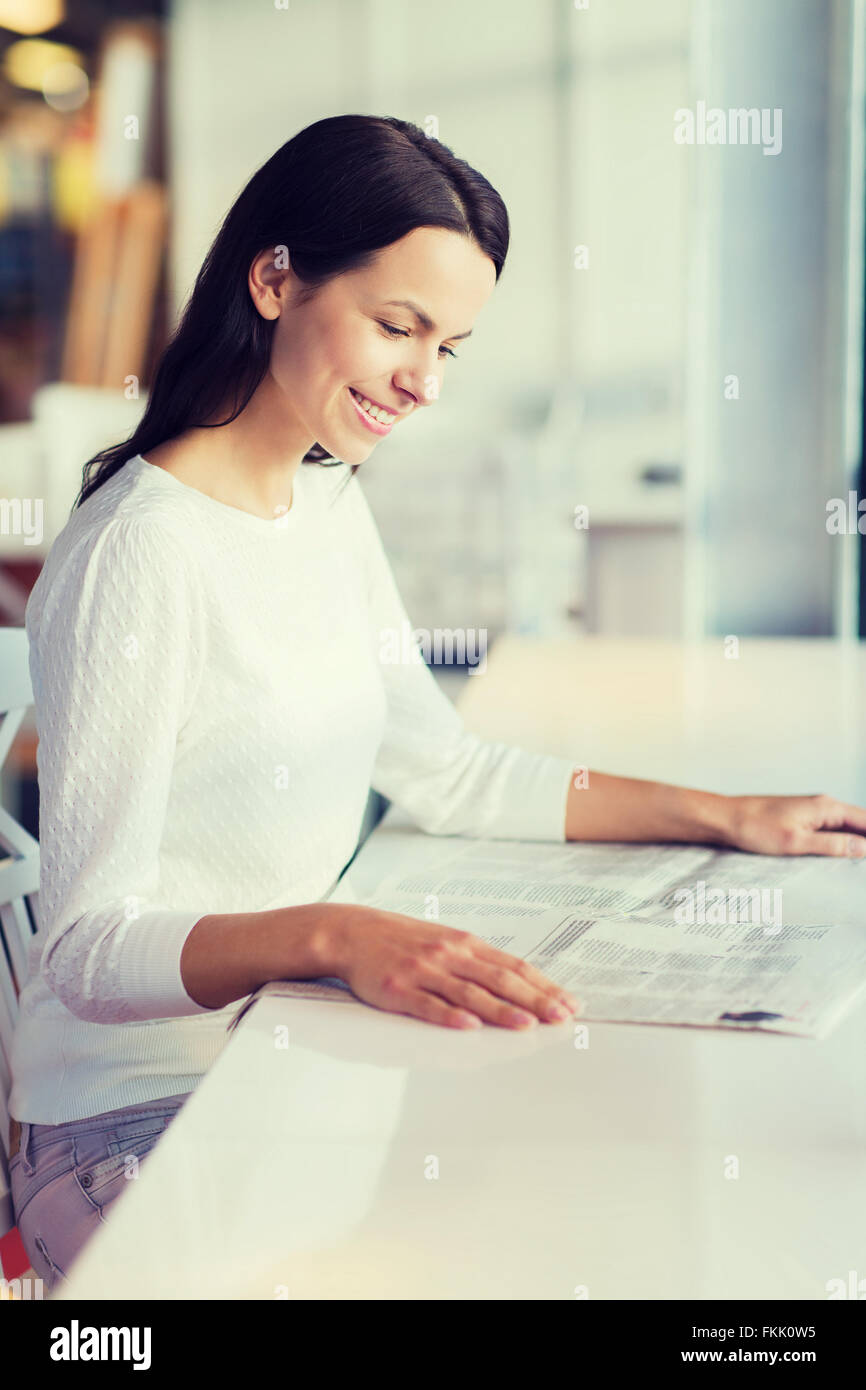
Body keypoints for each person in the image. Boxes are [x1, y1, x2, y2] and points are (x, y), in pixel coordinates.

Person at [8, 113, 866, 1293]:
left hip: (292, 1055)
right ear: (273, 279)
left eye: (449, 345)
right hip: (135, 1126)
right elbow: (90, 949)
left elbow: (448, 771)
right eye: (395, 325)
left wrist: (719, 815)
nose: (421, 381)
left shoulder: (322, 499)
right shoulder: (142, 554)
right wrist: (335, 935)